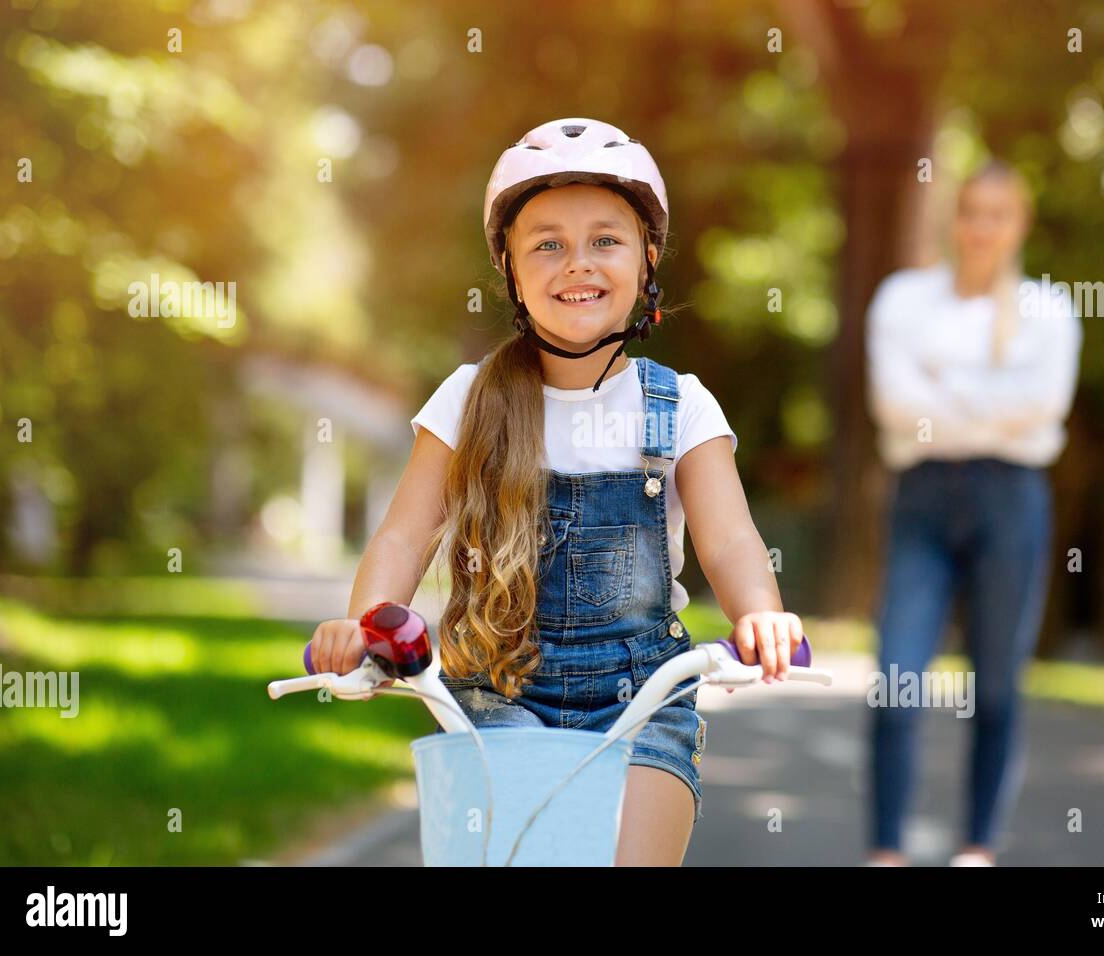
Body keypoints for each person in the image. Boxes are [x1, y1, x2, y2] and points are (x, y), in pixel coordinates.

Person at [309, 118, 803, 866]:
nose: (579, 263)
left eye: (606, 239)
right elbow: (404, 537)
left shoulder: (681, 405)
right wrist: (363, 628)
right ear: (509, 265)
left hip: (643, 695)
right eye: (548, 243)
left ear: (648, 257)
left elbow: (729, 538)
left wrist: (760, 615)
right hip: (500, 693)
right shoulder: (470, 399)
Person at [864, 159, 1082, 866]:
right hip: (922, 500)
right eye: (972, 211)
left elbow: (1043, 406)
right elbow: (893, 404)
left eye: (999, 214)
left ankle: (978, 847)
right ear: (954, 218)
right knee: (897, 678)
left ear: (1019, 224)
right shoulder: (902, 300)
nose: (982, 228)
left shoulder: (1049, 312)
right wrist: (991, 397)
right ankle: (887, 850)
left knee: (996, 686)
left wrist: (943, 385)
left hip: (1011, 501)